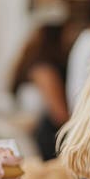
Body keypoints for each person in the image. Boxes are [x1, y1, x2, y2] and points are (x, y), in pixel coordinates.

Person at [11, 24, 72, 161]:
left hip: (33, 139)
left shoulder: (33, 67)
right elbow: (60, 114)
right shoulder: (44, 71)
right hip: (44, 141)